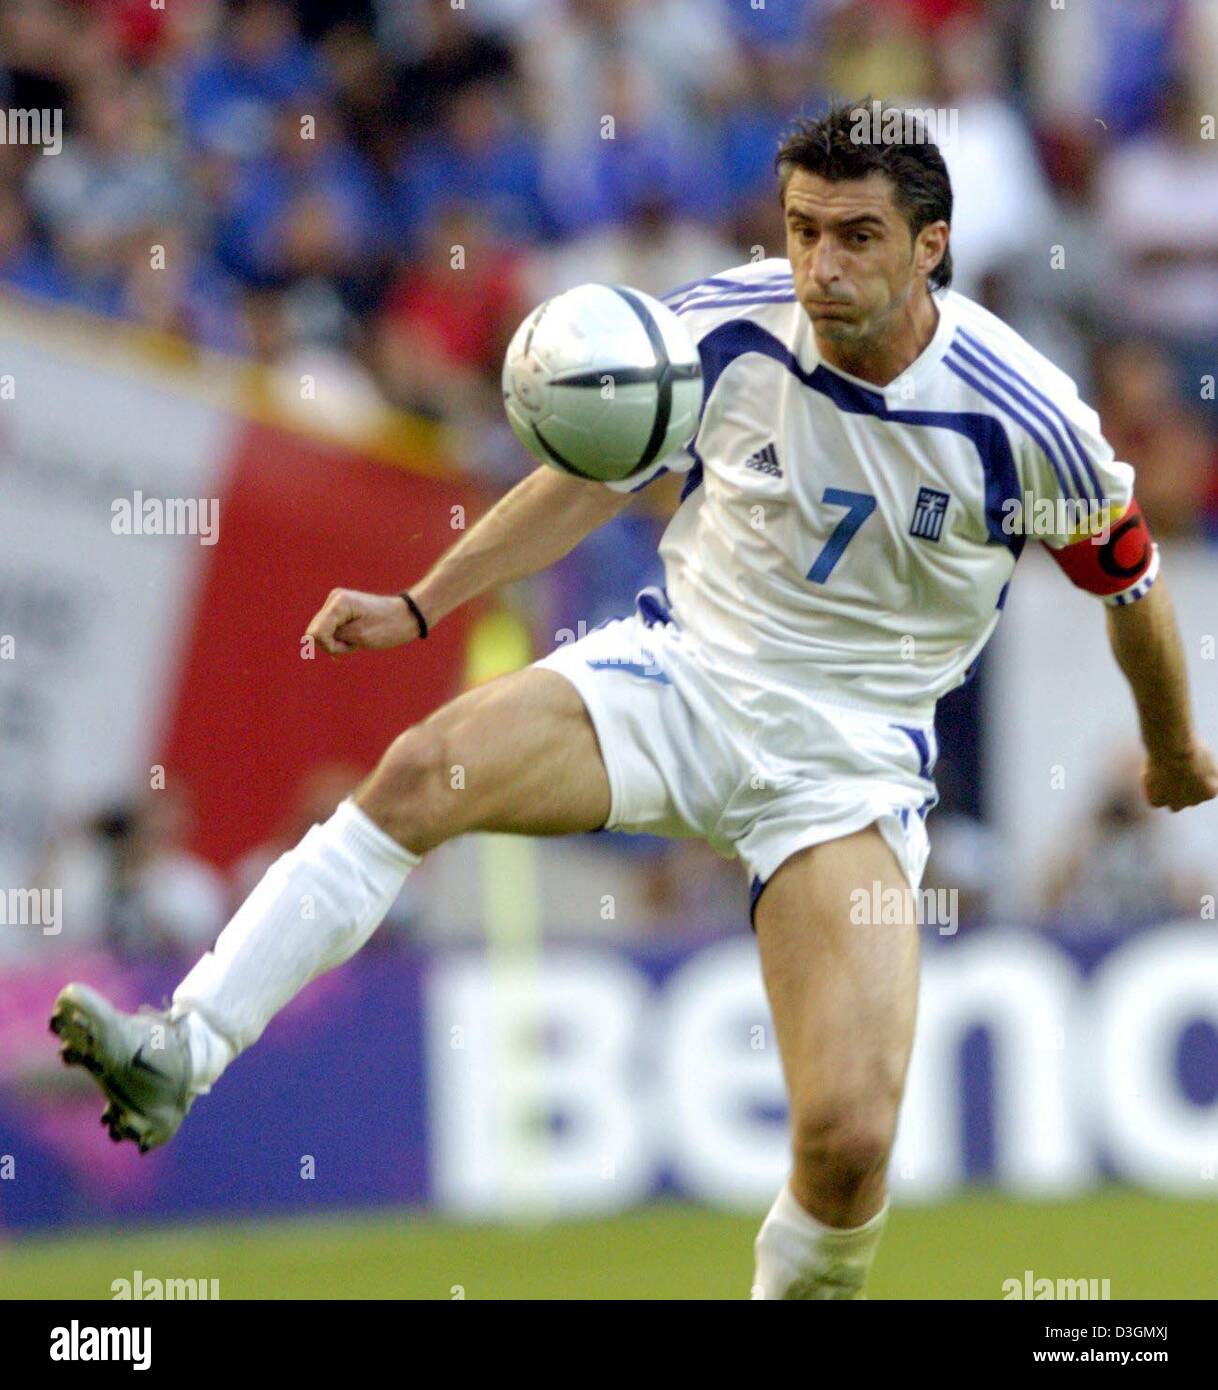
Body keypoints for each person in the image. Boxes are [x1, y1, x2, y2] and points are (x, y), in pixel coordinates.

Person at [50, 101, 1218, 1300]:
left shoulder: (1027, 420)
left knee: (851, 1141)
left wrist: (1174, 749)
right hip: (676, 679)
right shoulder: (725, 323)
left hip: (849, 768)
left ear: (932, 246)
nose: (821, 265)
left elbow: (1132, 586)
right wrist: (421, 602)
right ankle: (181, 1047)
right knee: (414, 774)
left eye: (858, 236)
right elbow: (593, 475)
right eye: (805, 229)